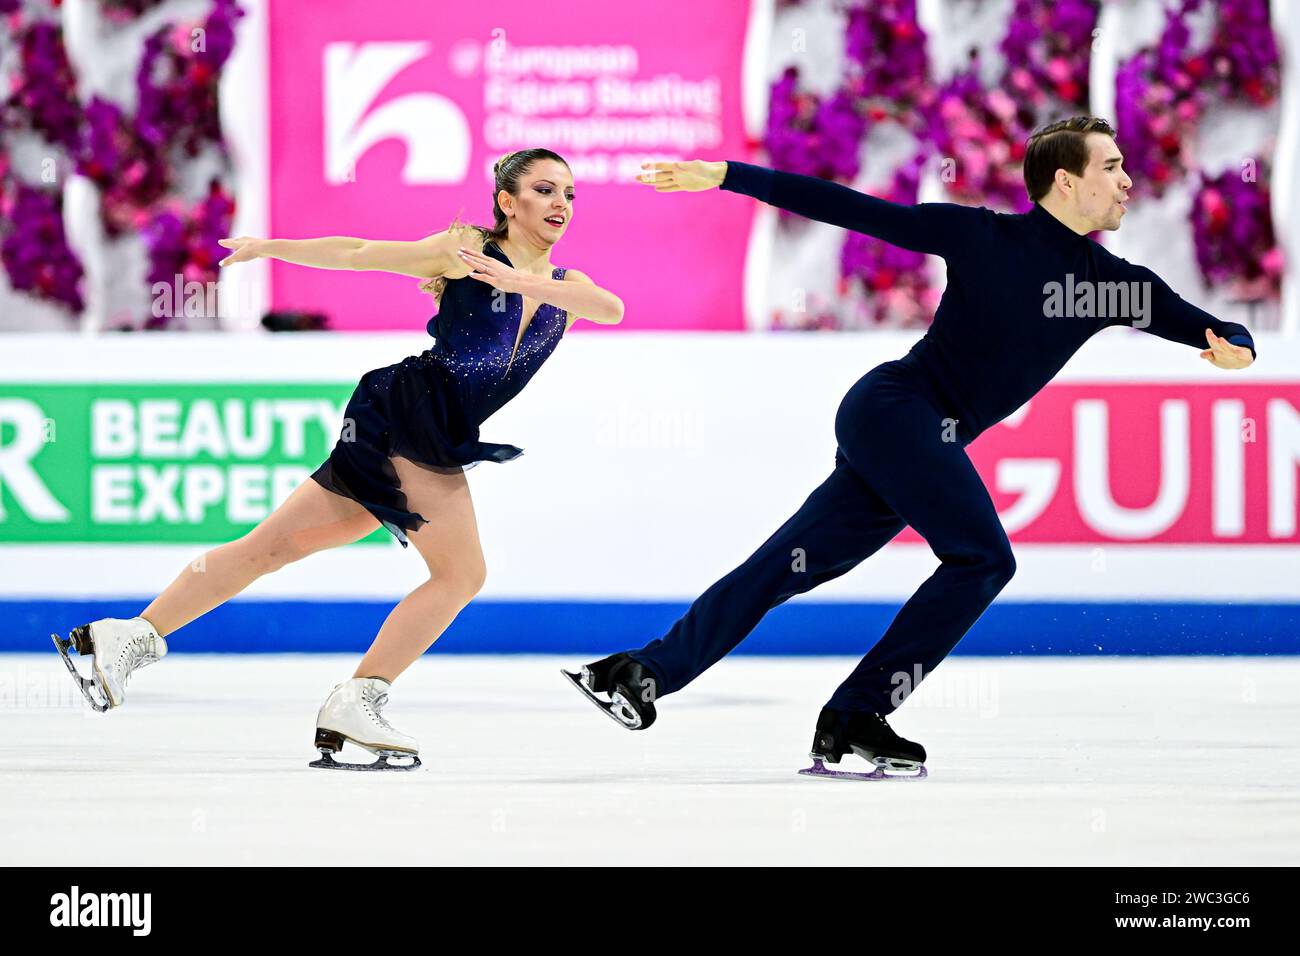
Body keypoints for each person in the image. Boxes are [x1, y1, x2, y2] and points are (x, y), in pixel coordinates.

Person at [564, 117, 1256, 779]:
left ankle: (642, 673)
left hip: (913, 436)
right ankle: (859, 711)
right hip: (895, 410)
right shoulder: (980, 234)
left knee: (786, 566)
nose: (1129, 180)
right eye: (1112, 167)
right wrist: (725, 174)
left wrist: (1234, 346)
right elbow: (850, 208)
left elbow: (1209, 326)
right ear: (1065, 182)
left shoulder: (1113, 287)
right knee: (983, 558)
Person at [53, 148, 624, 771]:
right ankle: (358, 699)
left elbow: (612, 309)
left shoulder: (568, 289)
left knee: (273, 546)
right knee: (462, 574)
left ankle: (130, 635)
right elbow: (359, 252)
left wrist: (523, 284)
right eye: (544, 190)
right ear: (508, 203)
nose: (560, 204)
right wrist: (271, 247)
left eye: (569, 194)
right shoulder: (464, 253)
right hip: (410, 414)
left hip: (431, 428)